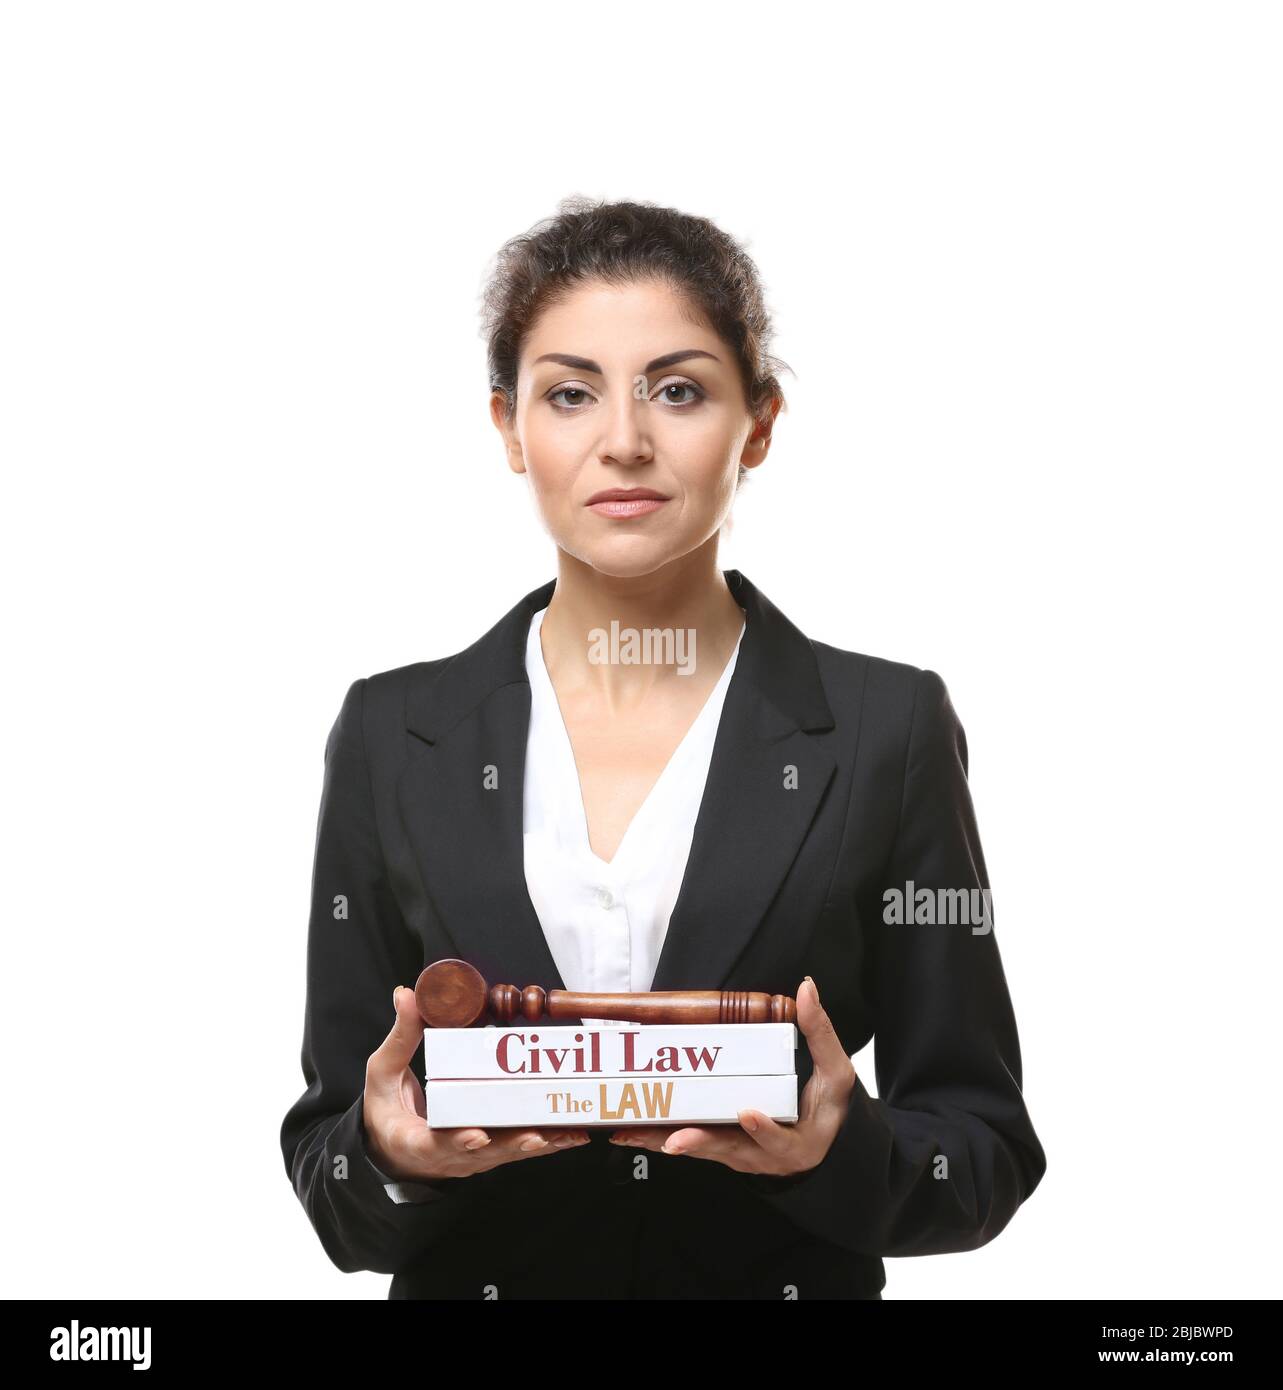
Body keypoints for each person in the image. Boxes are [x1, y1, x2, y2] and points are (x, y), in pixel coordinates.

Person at [279, 196, 1047, 1299]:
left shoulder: (890, 729)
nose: (623, 440)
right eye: (569, 392)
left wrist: (837, 1150)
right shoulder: (391, 736)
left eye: (677, 390)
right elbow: (328, 1164)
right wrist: (391, 1154)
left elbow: (980, 1150)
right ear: (508, 426)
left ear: (760, 422)